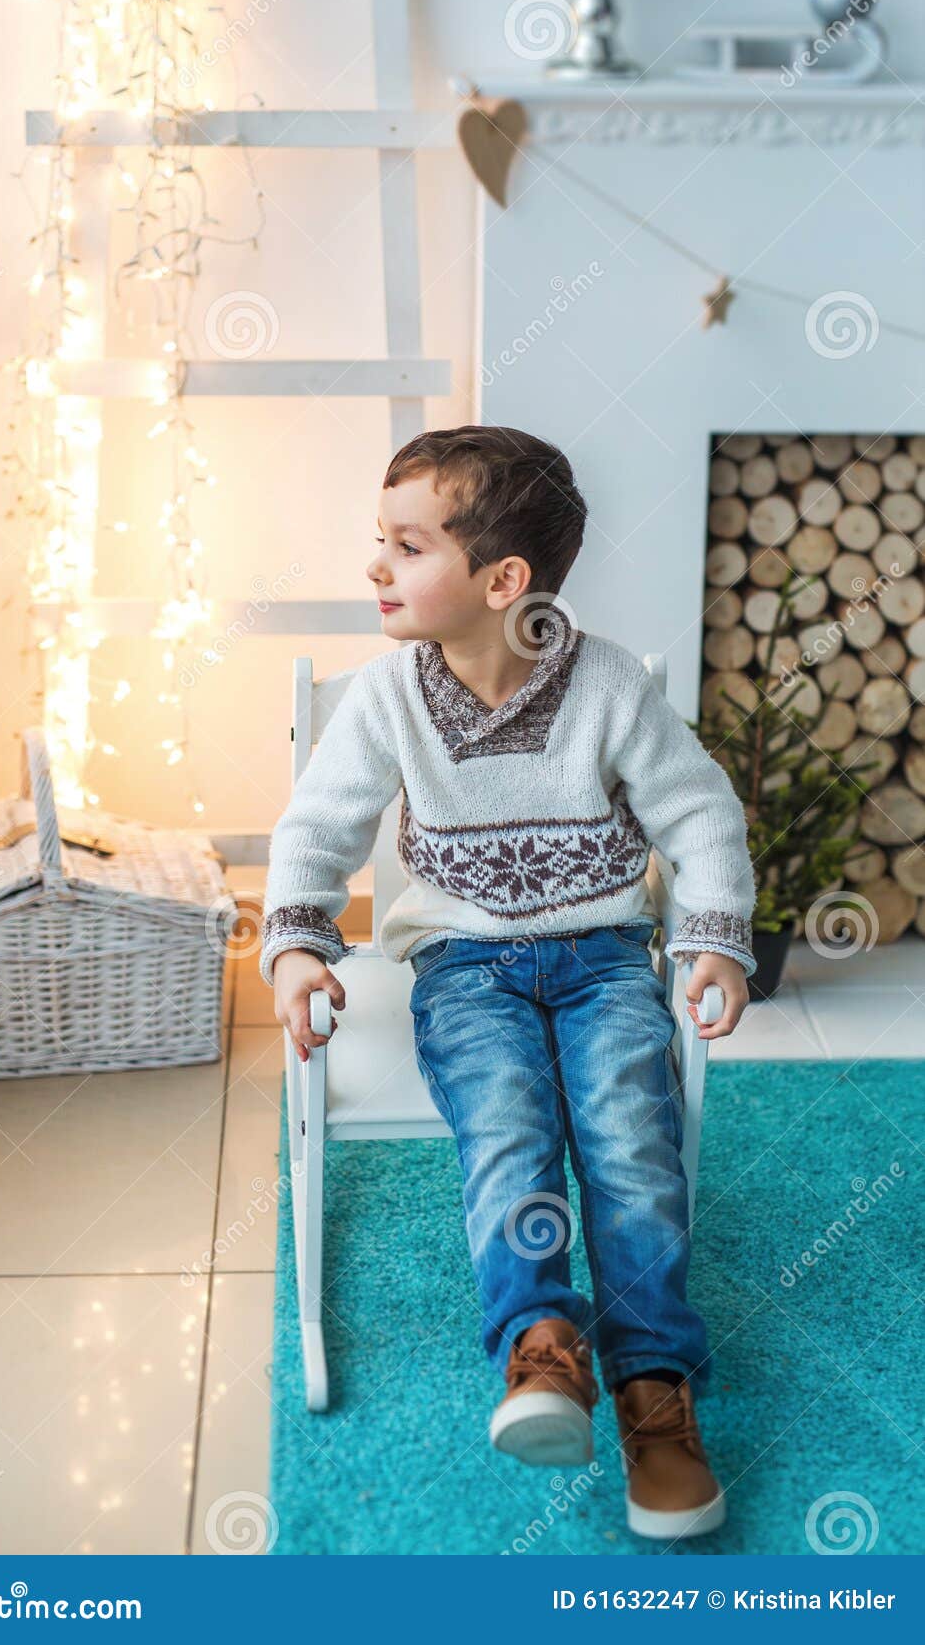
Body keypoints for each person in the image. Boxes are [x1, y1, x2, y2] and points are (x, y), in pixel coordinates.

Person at [260, 426, 755, 1540]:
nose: (375, 567)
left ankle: (654, 1390)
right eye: (376, 541)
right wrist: (298, 942)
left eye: (405, 544)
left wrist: (712, 938)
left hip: (601, 960)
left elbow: (700, 813)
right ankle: (541, 1346)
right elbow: (314, 830)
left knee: (628, 1131)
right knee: (505, 1125)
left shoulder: (610, 688)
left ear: (503, 581)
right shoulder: (387, 701)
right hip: (463, 967)